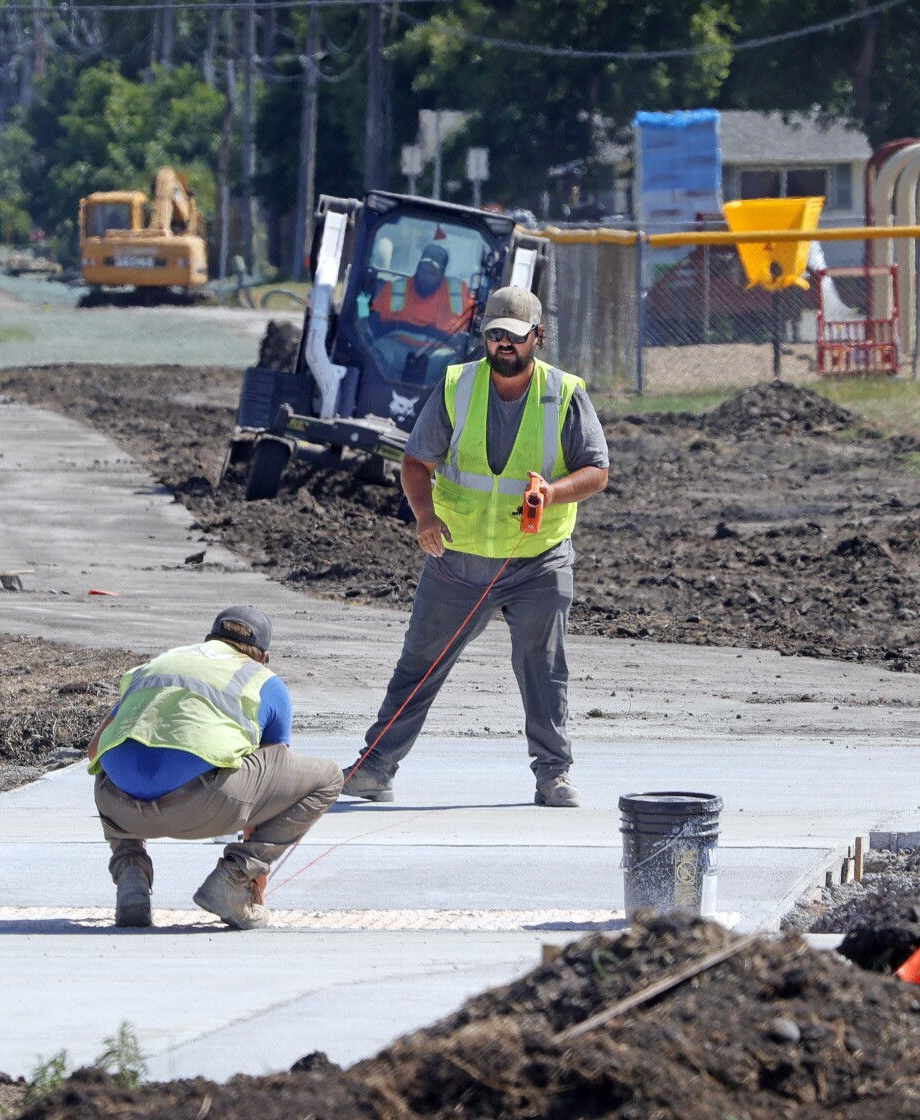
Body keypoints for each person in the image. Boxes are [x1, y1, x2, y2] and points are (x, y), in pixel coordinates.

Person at [342, 286, 609, 808]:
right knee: (418, 666)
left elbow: (596, 470)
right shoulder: (457, 386)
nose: (504, 344)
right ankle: (374, 769)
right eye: (494, 334)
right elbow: (416, 462)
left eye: (515, 336)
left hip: (537, 560)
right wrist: (425, 516)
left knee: (544, 670)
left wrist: (553, 493)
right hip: (456, 561)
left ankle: (553, 775)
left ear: (538, 337)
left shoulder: (564, 392)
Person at [90, 606, 343, 930]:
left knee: (111, 759)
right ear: (263, 656)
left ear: (209, 639)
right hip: (204, 808)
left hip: (119, 810)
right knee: (328, 777)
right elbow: (268, 783)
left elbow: (94, 749)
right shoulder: (263, 680)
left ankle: (131, 875)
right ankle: (232, 881)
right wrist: (251, 885)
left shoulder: (155, 667)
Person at [370, 242, 476, 337]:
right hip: (393, 346)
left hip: (441, 351)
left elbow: (475, 319)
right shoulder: (394, 288)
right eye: (423, 270)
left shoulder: (458, 292)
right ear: (417, 268)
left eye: (432, 273)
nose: (425, 277)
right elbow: (372, 320)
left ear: (442, 275)